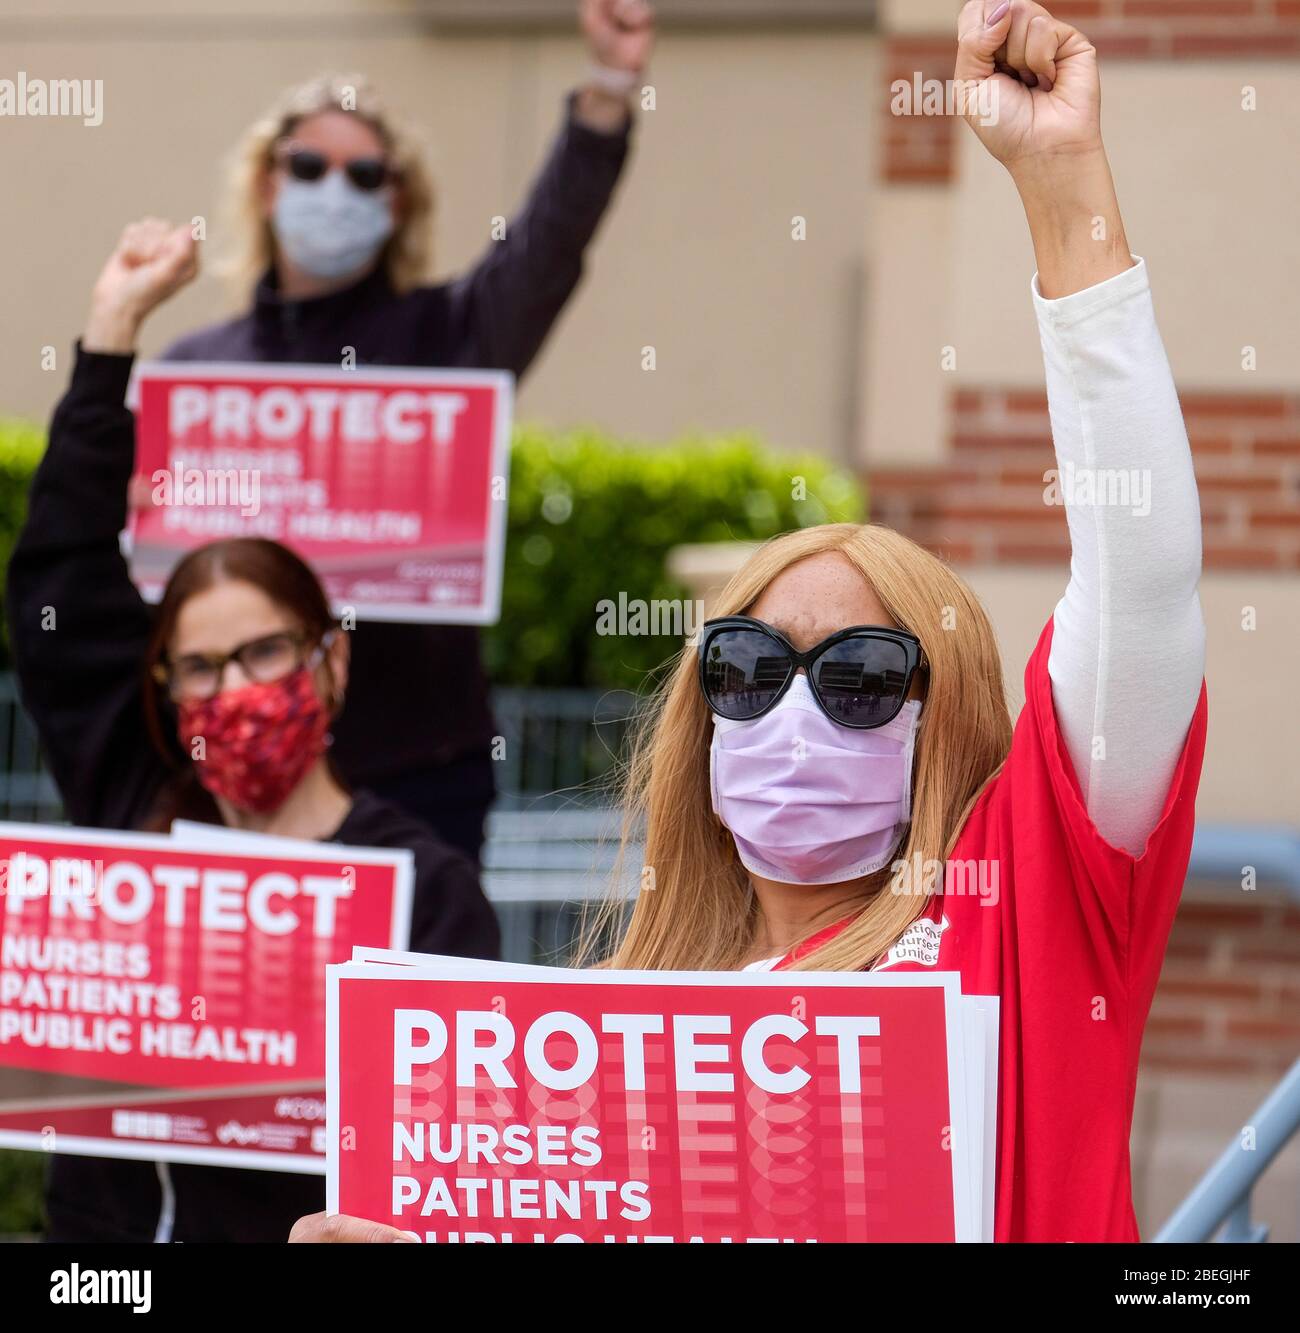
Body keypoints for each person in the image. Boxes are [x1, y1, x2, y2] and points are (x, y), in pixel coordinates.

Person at [293, 0, 1207, 1243]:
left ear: (954, 720)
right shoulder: (617, 1038)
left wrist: (1062, 192)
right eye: (746, 667)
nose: (791, 707)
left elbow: (1142, 576)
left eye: (864, 677)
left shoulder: (1016, 919)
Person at [7, 247, 500, 1234]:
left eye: (265, 651)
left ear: (330, 664)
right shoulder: (135, 814)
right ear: (169, 689)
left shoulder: (424, 888)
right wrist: (110, 339)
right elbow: (59, 576)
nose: (233, 689)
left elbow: (460, 1150)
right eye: (201, 665)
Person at [124, 0, 655, 863]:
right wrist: (134, 522)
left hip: (417, 770)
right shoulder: (193, 370)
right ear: (267, 183)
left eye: (366, 176)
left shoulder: (448, 335)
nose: (336, 190)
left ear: (398, 202)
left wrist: (609, 87)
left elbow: (548, 249)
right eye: (309, 166)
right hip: (236, 773)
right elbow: (150, 593)